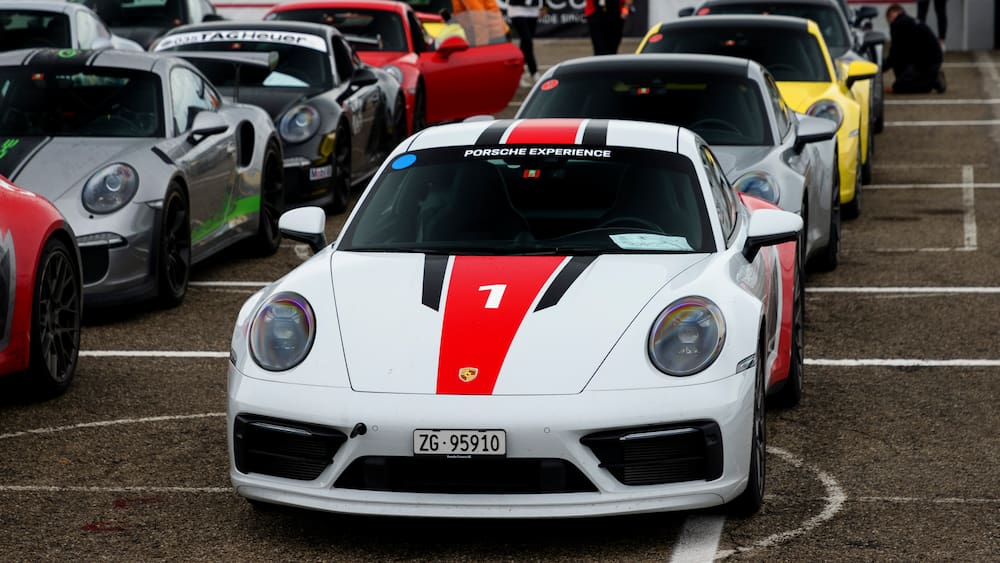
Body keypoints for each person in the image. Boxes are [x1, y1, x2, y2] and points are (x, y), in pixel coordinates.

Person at [884, 3, 946, 94]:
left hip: (927, 63)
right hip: (931, 60)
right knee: (901, 65)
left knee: (899, 87)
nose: (889, 23)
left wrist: (880, 68)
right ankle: (929, 79)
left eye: (888, 20)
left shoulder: (898, 24)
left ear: (892, 15)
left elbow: (895, 54)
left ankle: (933, 80)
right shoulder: (912, 22)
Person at [507, 0, 544, 87]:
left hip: (533, 10)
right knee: (527, 41)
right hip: (517, 9)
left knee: (525, 43)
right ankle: (534, 72)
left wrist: (544, 6)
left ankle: (520, 73)